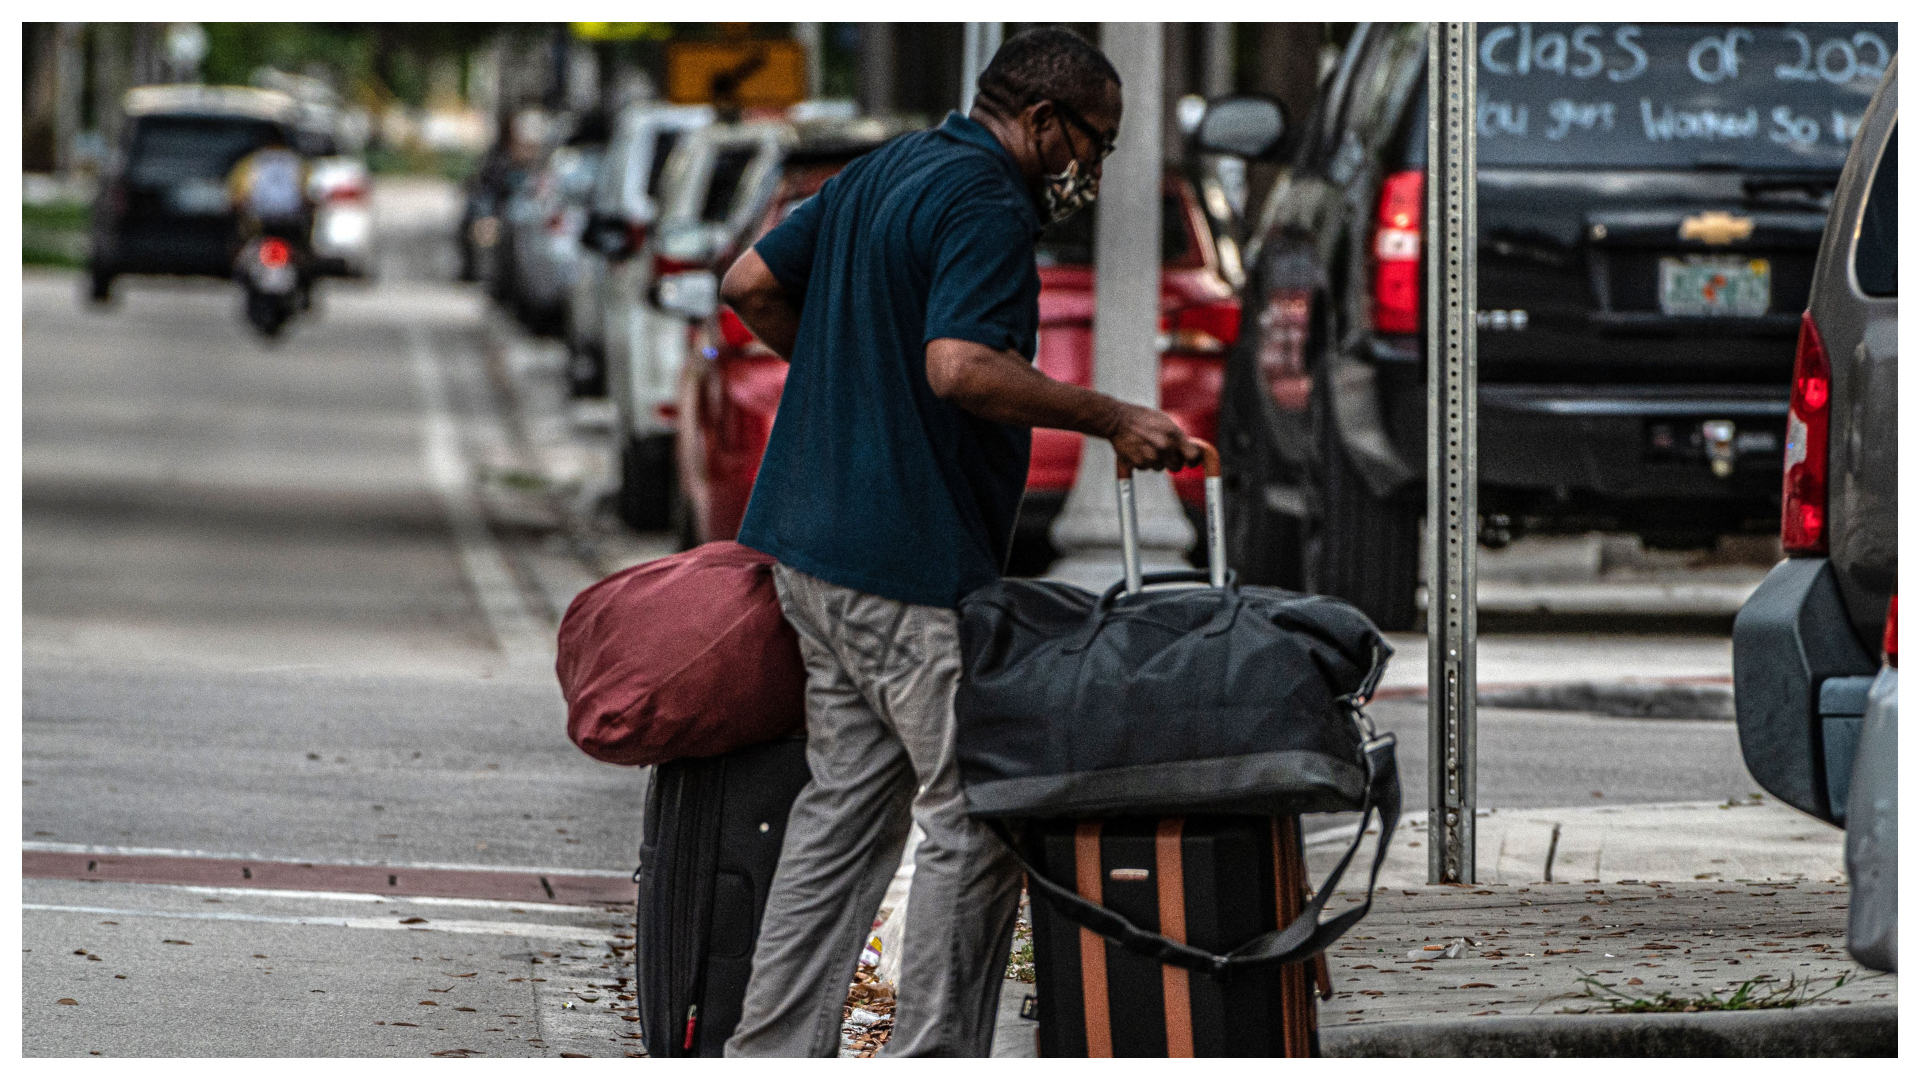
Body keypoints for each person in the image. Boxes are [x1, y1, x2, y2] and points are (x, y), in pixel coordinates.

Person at [718, 27, 1200, 1057]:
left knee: (843, 816)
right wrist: (1113, 417)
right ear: (1042, 120)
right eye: (1095, 143)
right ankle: (932, 1057)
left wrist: (854, 383)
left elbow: (750, 282)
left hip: (810, 551)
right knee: (976, 812)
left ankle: (769, 1055)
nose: (1092, 169)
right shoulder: (988, 202)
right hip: (904, 562)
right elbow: (961, 368)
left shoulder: (884, 168)